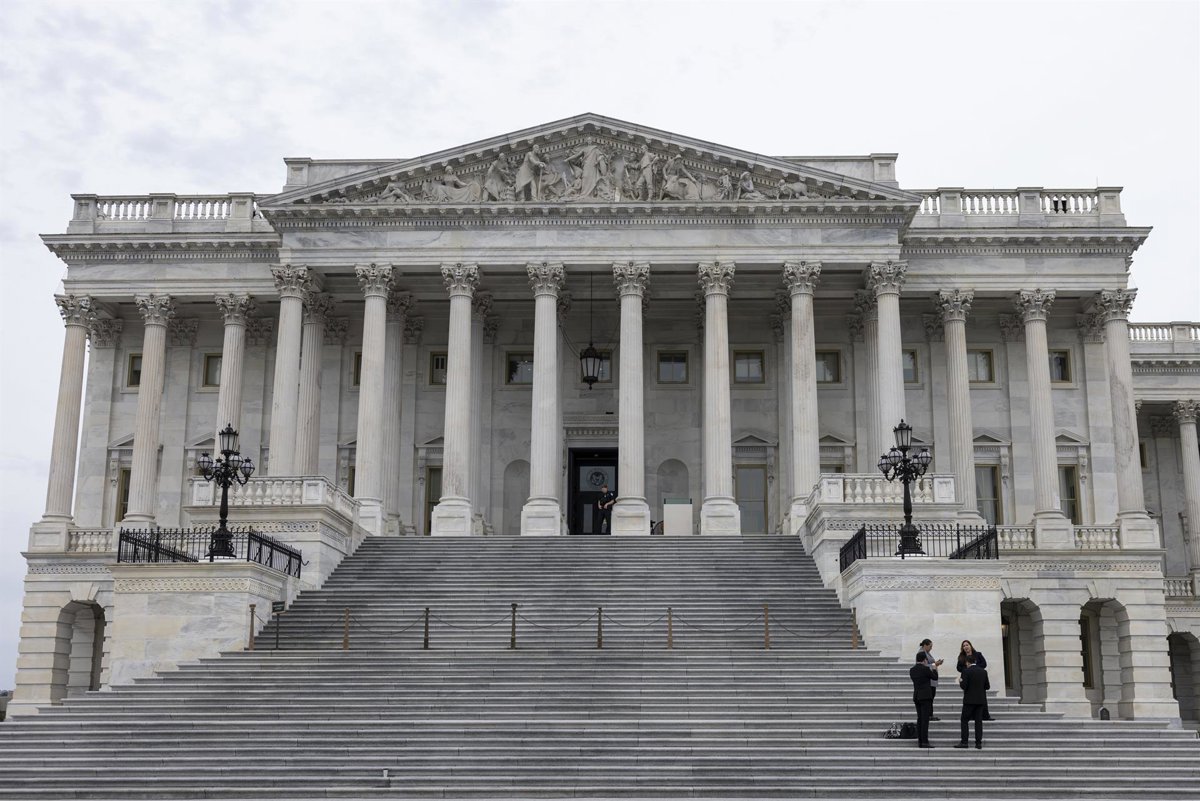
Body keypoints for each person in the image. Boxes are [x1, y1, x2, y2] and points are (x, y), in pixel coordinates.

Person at [956, 653, 990, 749]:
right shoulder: (983, 672)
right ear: (975, 661)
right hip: (980, 701)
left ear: (967, 662)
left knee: (964, 720)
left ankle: (964, 742)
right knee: (978, 722)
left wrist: (961, 681)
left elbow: (964, 686)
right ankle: (978, 743)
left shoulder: (966, 672)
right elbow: (987, 687)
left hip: (969, 700)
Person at [956, 640, 994, 720]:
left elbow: (984, 664)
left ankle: (985, 715)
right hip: (968, 678)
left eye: (967, 645)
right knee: (969, 697)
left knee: (982, 696)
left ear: (970, 645)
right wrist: (967, 669)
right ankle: (971, 715)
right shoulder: (961, 656)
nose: (965, 647)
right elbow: (958, 668)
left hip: (978, 678)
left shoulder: (978, 654)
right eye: (964, 646)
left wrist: (974, 668)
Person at [909, 651, 935, 748]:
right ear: (925, 659)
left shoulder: (912, 670)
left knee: (920, 719)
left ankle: (920, 740)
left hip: (917, 696)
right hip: (926, 696)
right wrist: (935, 669)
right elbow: (934, 677)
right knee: (925, 720)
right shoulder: (926, 669)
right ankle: (924, 741)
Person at [917, 639, 944, 720]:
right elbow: (923, 666)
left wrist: (936, 663)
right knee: (929, 698)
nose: (931, 648)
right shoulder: (921, 653)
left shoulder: (927, 653)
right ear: (925, 645)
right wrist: (935, 664)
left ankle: (930, 715)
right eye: (930, 646)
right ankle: (928, 715)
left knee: (931, 698)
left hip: (931, 679)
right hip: (928, 680)